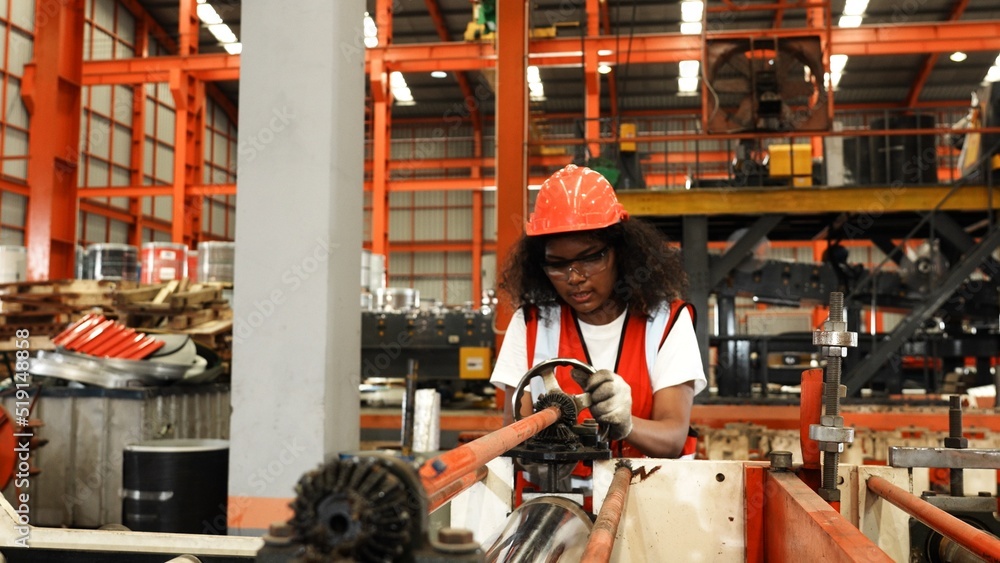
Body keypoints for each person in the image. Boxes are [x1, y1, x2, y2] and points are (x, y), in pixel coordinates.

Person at [490, 164, 707, 459]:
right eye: (557, 264)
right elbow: (514, 435)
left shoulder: (665, 322)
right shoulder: (531, 325)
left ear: (621, 250)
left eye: (590, 258)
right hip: (554, 499)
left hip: (647, 495)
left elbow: (672, 438)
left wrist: (627, 425)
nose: (575, 277)